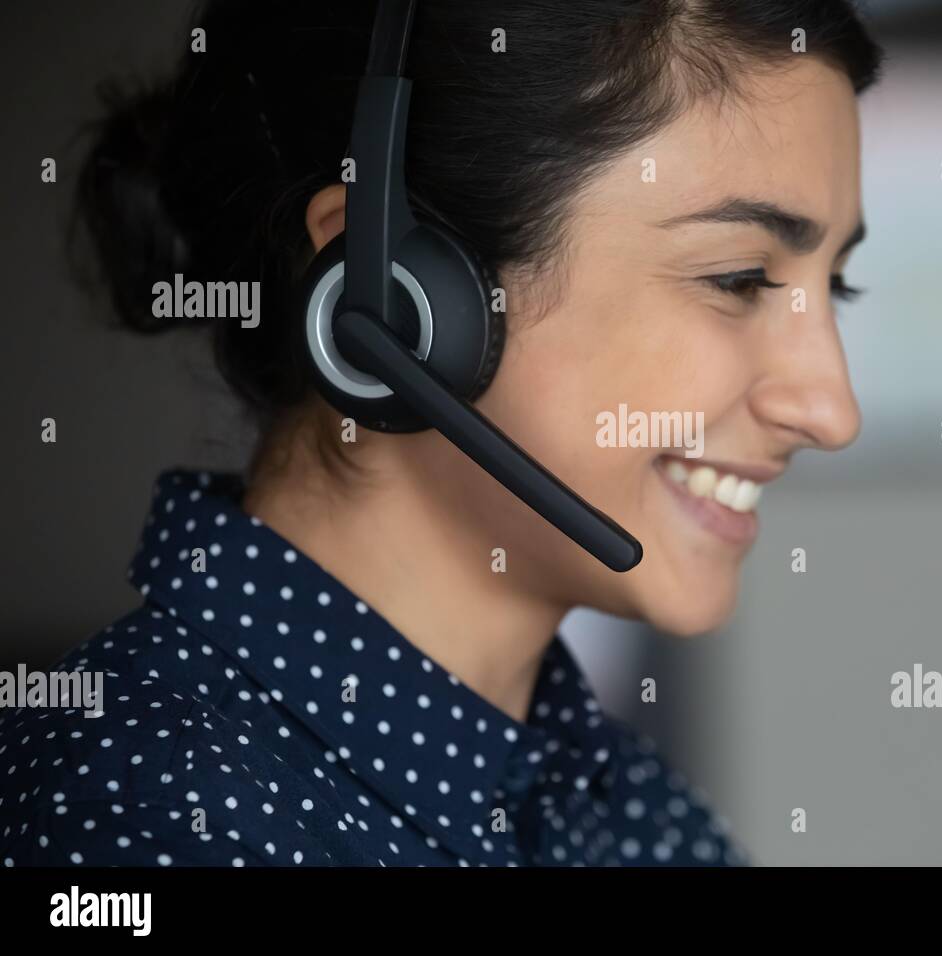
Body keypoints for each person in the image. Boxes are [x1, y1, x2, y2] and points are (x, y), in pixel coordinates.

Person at [0, 0, 881, 866]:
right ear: (386, 295)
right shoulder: (137, 819)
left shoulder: (635, 815)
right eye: (738, 278)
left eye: (833, 286)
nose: (831, 410)